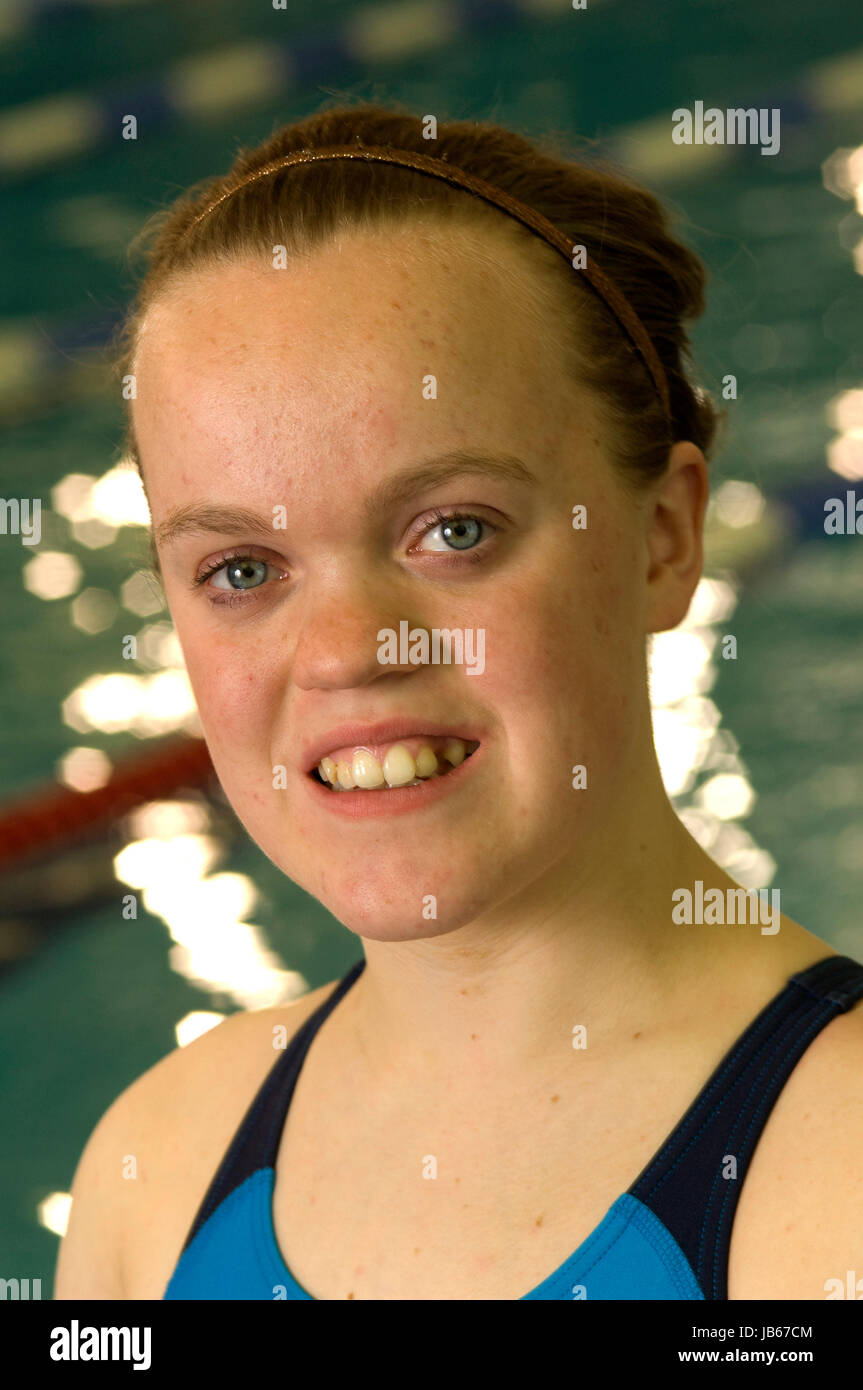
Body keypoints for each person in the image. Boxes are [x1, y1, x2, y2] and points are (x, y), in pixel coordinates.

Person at [55, 102, 863, 1302]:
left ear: (662, 537)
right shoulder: (154, 1174)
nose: (340, 654)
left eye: (452, 530)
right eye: (239, 569)